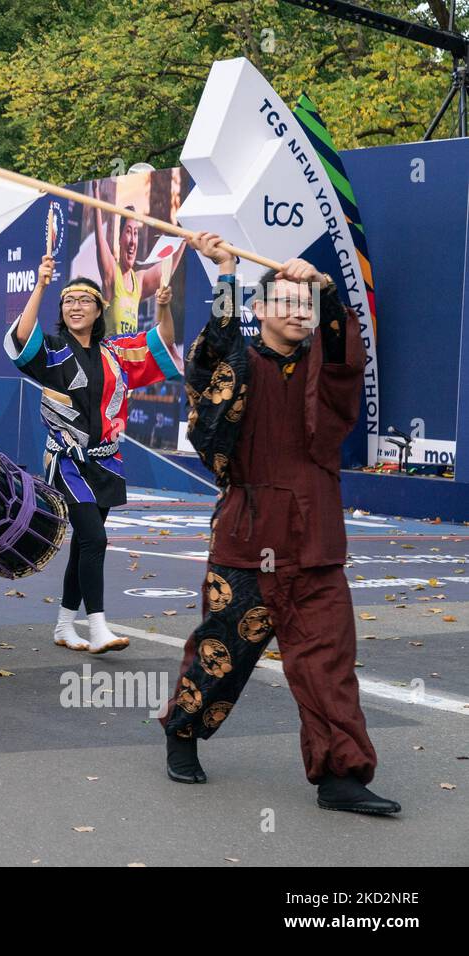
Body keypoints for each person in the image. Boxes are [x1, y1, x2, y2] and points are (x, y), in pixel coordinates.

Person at [157, 233, 399, 815]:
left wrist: (326, 290)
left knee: (328, 662)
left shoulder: (326, 369)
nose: (296, 312)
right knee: (222, 652)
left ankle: (341, 775)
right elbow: (208, 360)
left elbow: (345, 355)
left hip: (315, 537)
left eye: (305, 305)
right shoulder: (235, 367)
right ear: (258, 309)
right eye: (284, 302)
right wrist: (226, 272)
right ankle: (183, 730)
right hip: (247, 535)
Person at [7, 254, 181, 654]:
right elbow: (21, 337)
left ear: (100, 308)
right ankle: (98, 626)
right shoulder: (51, 351)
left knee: (87, 544)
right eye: (68, 301)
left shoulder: (116, 352)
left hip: (106, 460)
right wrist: (41, 285)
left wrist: (165, 307)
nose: (76, 306)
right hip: (67, 462)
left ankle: (65, 626)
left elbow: (163, 342)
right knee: (95, 539)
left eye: (85, 300)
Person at [90, 187, 181, 336]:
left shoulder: (138, 281)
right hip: (108, 357)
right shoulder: (112, 274)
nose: (132, 241)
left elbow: (167, 268)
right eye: (128, 232)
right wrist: (96, 191)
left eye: (135, 233)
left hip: (129, 358)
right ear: (119, 239)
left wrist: (183, 236)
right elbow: (99, 239)